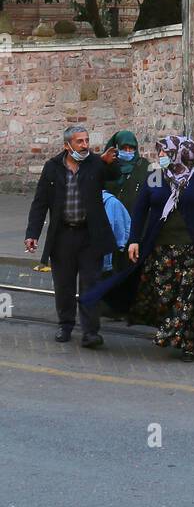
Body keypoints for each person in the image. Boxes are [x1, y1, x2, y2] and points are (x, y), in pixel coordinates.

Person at [82, 135, 194, 361]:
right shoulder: (157, 176)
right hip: (159, 249)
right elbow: (141, 208)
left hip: (191, 249)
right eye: (160, 153)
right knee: (165, 294)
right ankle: (172, 329)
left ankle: (186, 343)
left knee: (187, 297)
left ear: (180, 154)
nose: (161, 157)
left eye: (166, 153)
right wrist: (134, 240)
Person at [25, 125, 120, 347]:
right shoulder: (52, 168)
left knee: (90, 284)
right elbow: (40, 203)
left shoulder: (95, 163)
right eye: (80, 141)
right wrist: (32, 233)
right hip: (62, 236)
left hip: (89, 236)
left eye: (87, 140)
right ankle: (65, 325)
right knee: (64, 285)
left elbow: (115, 176)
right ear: (67, 145)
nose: (85, 145)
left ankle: (90, 332)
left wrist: (109, 162)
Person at [103, 129, 150, 216]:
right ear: (116, 148)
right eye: (124, 148)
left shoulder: (143, 165)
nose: (128, 151)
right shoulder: (107, 167)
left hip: (138, 217)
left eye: (131, 148)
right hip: (113, 216)